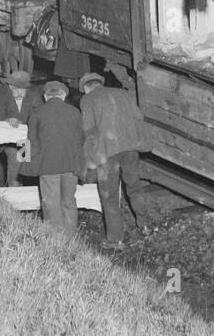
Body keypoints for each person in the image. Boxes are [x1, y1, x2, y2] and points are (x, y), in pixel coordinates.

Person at [79, 72, 152, 248]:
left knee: (109, 195)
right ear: (99, 83)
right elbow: (138, 118)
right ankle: (145, 225)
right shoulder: (122, 93)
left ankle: (115, 239)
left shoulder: (88, 100)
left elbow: (89, 130)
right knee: (134, 187)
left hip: (107, 153)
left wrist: (88, 161)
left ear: (87, 88)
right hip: (130, 148)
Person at [20, 80, 86, 231]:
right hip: (72, 164)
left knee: (51, 203)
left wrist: (26, 163)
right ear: (63, 96)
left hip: (48, 164)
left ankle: (57, 239)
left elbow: (31, 141)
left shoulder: (37, 112)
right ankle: (71, 238)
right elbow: (82, 138)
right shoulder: (74, 112)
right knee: (69, 201)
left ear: (45, 96)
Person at [0, 69, 42, 186]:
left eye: (22, 90)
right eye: (15, 90)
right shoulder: (4, 93)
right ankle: (14, 189)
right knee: (16, 163)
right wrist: (6, 120)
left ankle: (29, 189)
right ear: (10, 87)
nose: (19, 94)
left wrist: (28, 123)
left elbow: (41, 114)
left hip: (31, 138)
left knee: (32, 166)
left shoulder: (34, 94)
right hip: (12, 140)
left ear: (27, 88)